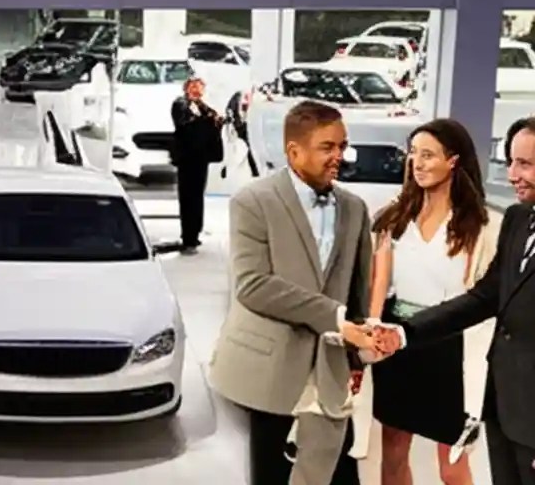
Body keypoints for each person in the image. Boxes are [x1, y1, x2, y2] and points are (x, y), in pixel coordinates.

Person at [209, 99, 375, 485]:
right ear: (294, 151)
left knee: (338, 471)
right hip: (272, 369)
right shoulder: (253, 201)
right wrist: (335, 318)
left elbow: (357, 290)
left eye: (341, 145)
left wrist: (356, 356)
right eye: (327, 147)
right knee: (273, 473)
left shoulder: (354, 208)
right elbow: (253, 285)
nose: (339, 156)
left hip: (330, 366)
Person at [372, 116, 535, 485]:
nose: (511, 175)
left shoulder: (480, 224)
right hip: (418, 347)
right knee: (394, 446)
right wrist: (399, 333)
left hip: (461, 360)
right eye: (510, 162)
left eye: (524, 163)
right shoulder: (518, 219)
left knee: (453, 463)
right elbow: (485, 296)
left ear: (454, 160)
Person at [171, 75, 224, 252]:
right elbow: (186, 125)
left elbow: (213, 120)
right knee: (188, 197)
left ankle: (195, 232)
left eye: (199, 87)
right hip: (187, 158)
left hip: (201, 158)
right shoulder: (181, 104)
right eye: (193, 86)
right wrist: (208, 122)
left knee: (197, 197)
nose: (196, 90)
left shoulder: (203, 107)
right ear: (186, 88)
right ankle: (188, 236)